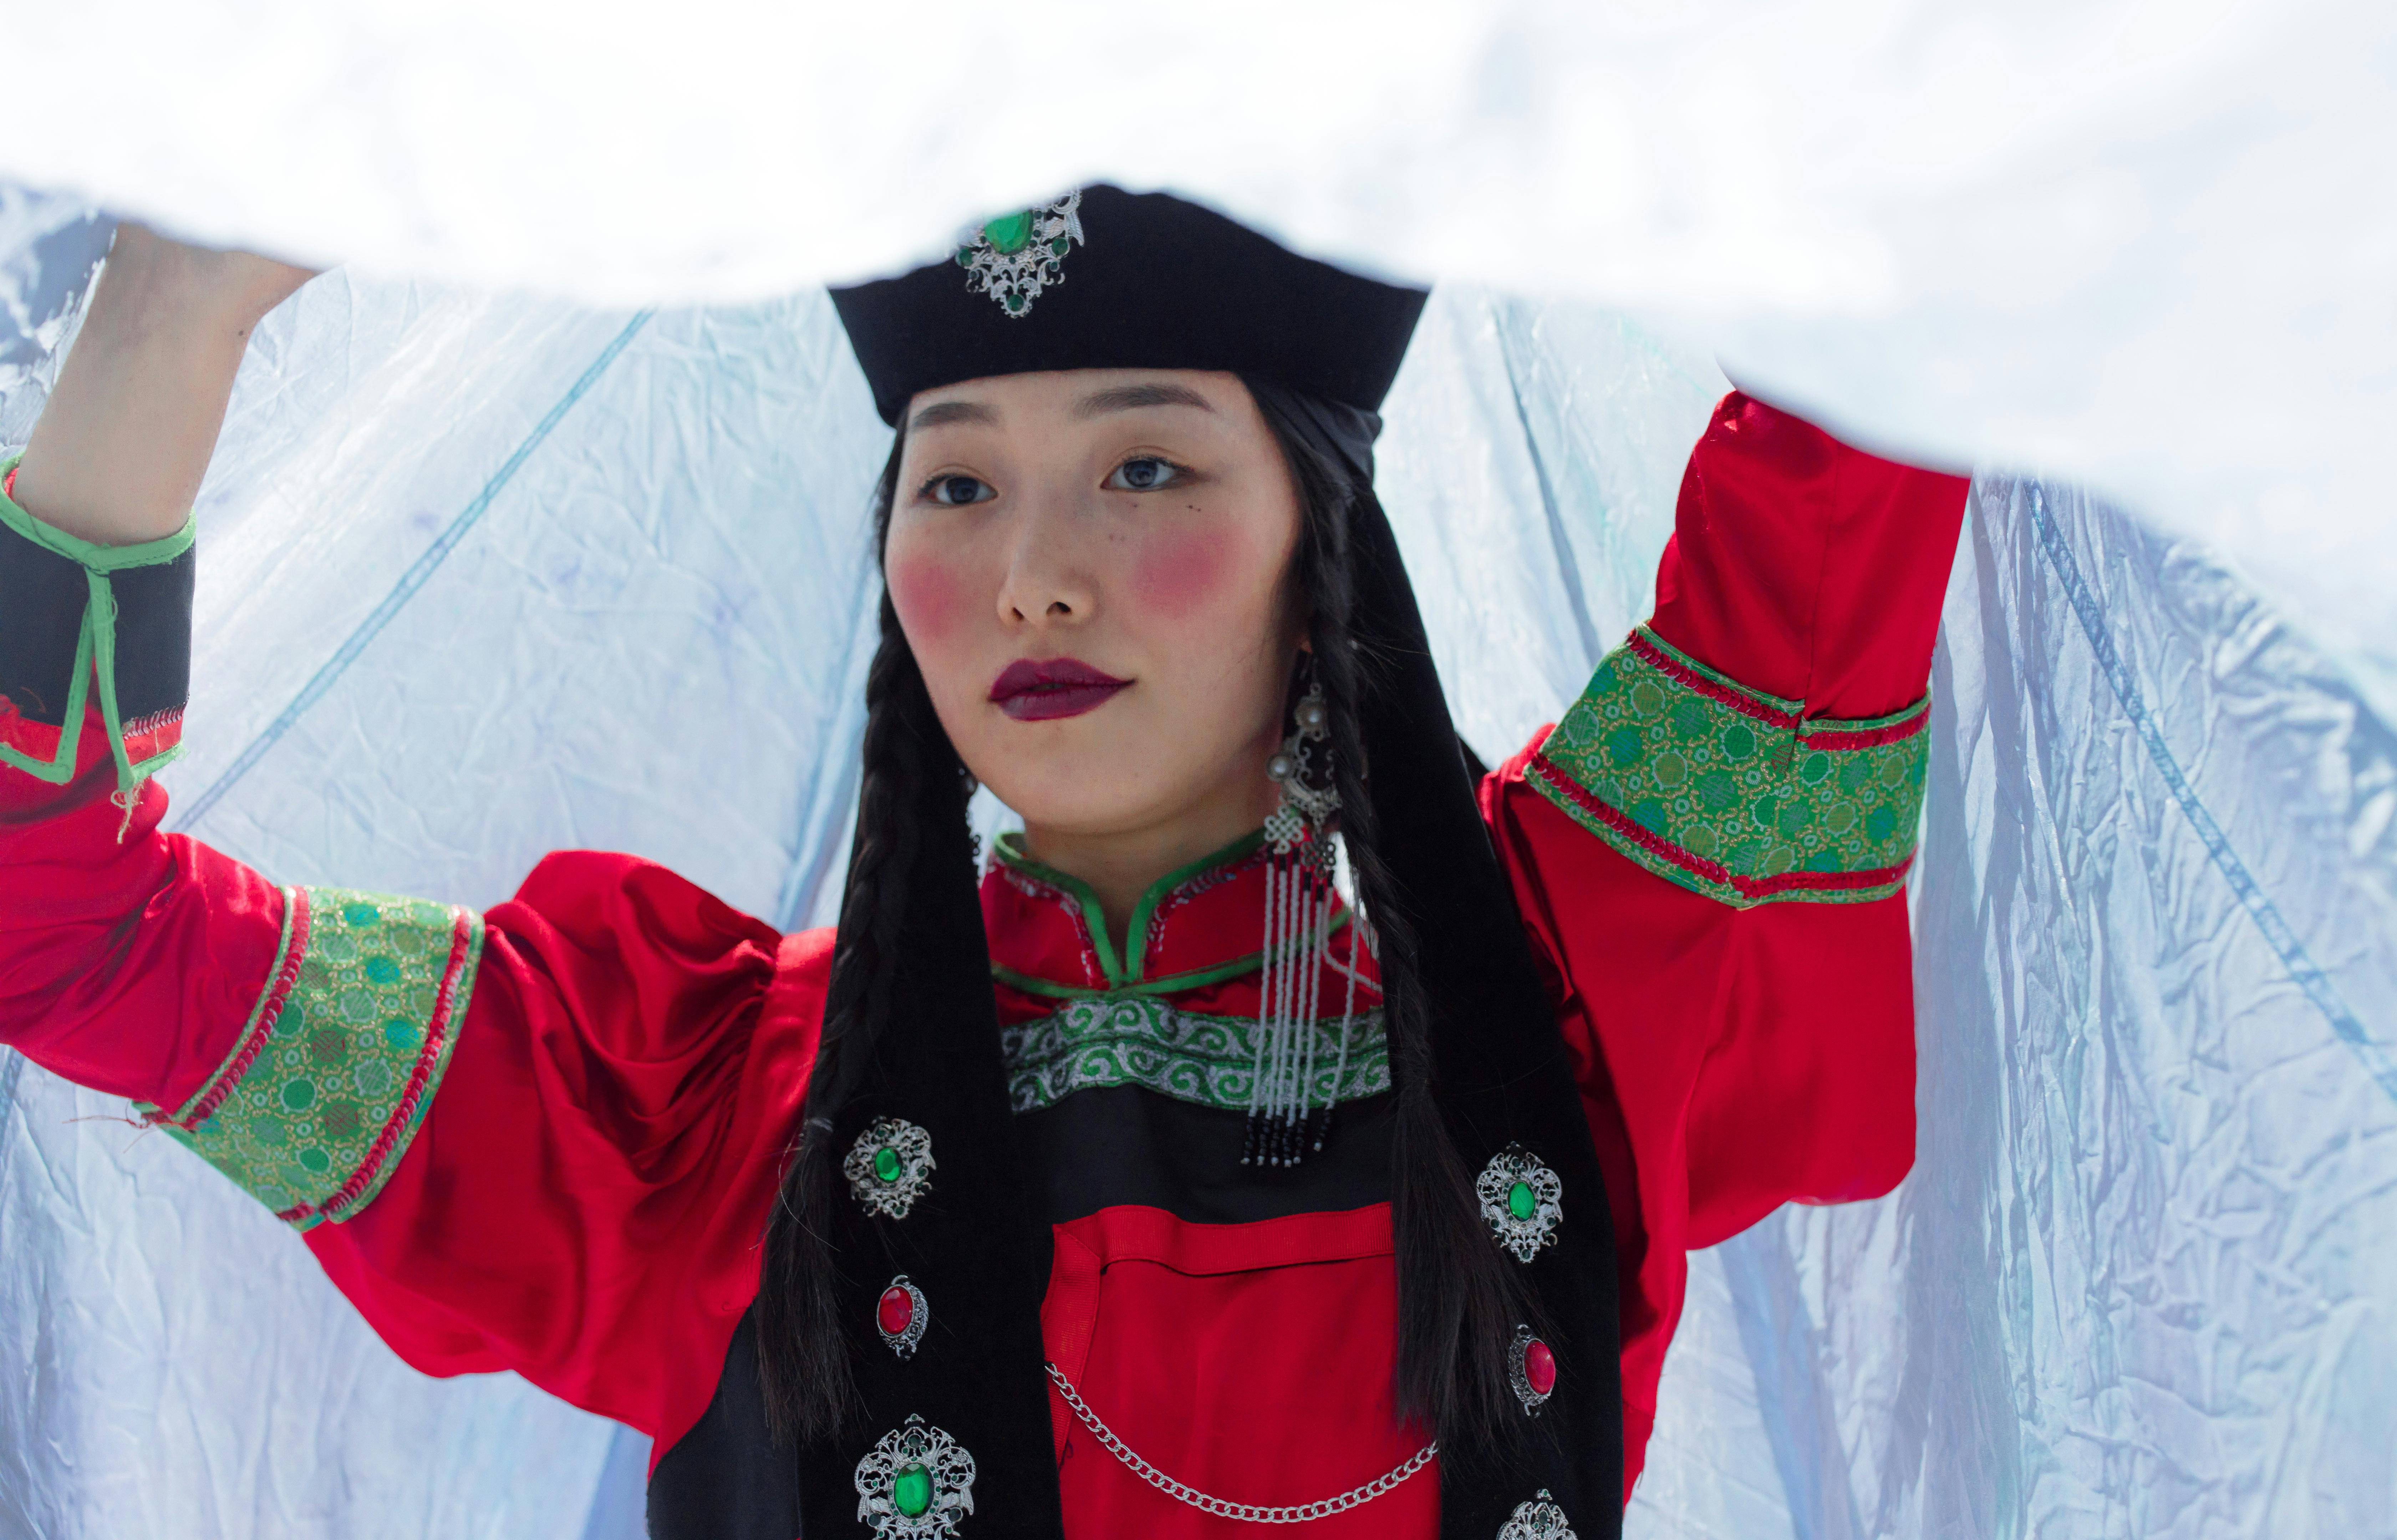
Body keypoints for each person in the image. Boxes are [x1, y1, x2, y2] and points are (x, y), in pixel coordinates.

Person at [0, 190, 1968, 1540]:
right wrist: (177, 305)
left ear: (1325, 543)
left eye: (1145, 469)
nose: (1031, 567)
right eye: (957, 481)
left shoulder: (1584, 974)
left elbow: (1911, 330)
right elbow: (56, 912)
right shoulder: (696, 1102)